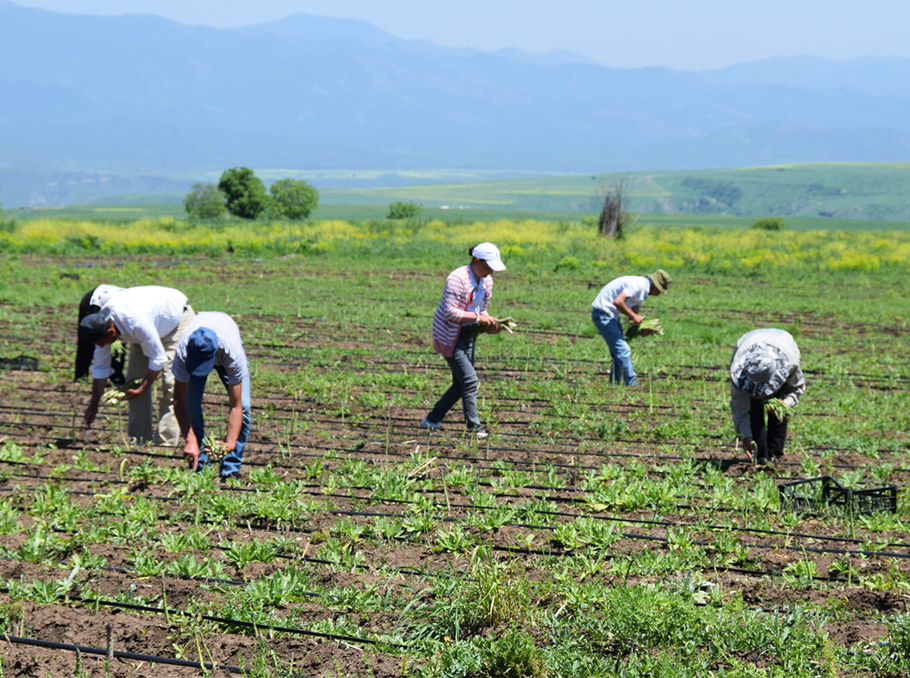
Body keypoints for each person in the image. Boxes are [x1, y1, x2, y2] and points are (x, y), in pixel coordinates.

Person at [78, 285, 195, 445]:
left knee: (170, 385)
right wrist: (94, 404)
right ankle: (139, 439)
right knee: (132, 381)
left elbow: (158, 358)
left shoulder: (136, 322)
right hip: (151, 325)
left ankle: (165, 443)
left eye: (101, 343)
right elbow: (101, 368)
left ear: (111, 333)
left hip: (176, 323)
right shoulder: (103, 326)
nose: (100, 346)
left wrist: (143, 387)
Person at [421, 242, 506, 438]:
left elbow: (481, 309)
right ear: (477, 260)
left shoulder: (487, 281)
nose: (491, 271)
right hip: (449, 334)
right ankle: (474, 428)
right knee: (469, 380)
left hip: (468, 334)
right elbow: (451, 313)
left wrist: (491, 325)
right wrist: (479, 318)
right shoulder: (456, 278)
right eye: (488, 266)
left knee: (461, 383)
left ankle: (432, 420)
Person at [172, 312, 251, 479]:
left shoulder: (233, 354)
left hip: (226, 331)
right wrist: (189, 440)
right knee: (191, 405)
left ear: (218, 350)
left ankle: (230, 468)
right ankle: (199, 463)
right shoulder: (183, 353)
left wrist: (230, 442)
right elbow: (180, 401)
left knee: (244, 406)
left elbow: (236, 405)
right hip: (198, 347)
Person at [729, 328, 806, 464]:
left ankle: (775, 456)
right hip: (749, 341)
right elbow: (740, 403)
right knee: (754, 407)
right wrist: (746, 435)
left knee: (778, 411)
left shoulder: (790, 361)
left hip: (782, 341)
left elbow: (796, 388)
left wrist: (785, 404)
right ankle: (761, 457)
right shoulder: (739, 364)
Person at [591, 270, 671, 386]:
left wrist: (640, 329)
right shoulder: (638, 285)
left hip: (612, 316)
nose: (658, 294)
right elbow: (618, 301)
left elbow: (632, 317)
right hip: (604, 314)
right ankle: (630, 383)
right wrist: (634, 316)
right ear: (654, 284)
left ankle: (616, 382)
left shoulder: (643, 291)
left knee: (618, 352)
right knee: (623, 350)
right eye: (659, 290)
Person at [75, 285, 124, 383]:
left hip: (113, 306)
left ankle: (116, 376)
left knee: (117, 344)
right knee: (90, 340)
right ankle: (81, 376)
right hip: (95, 301)